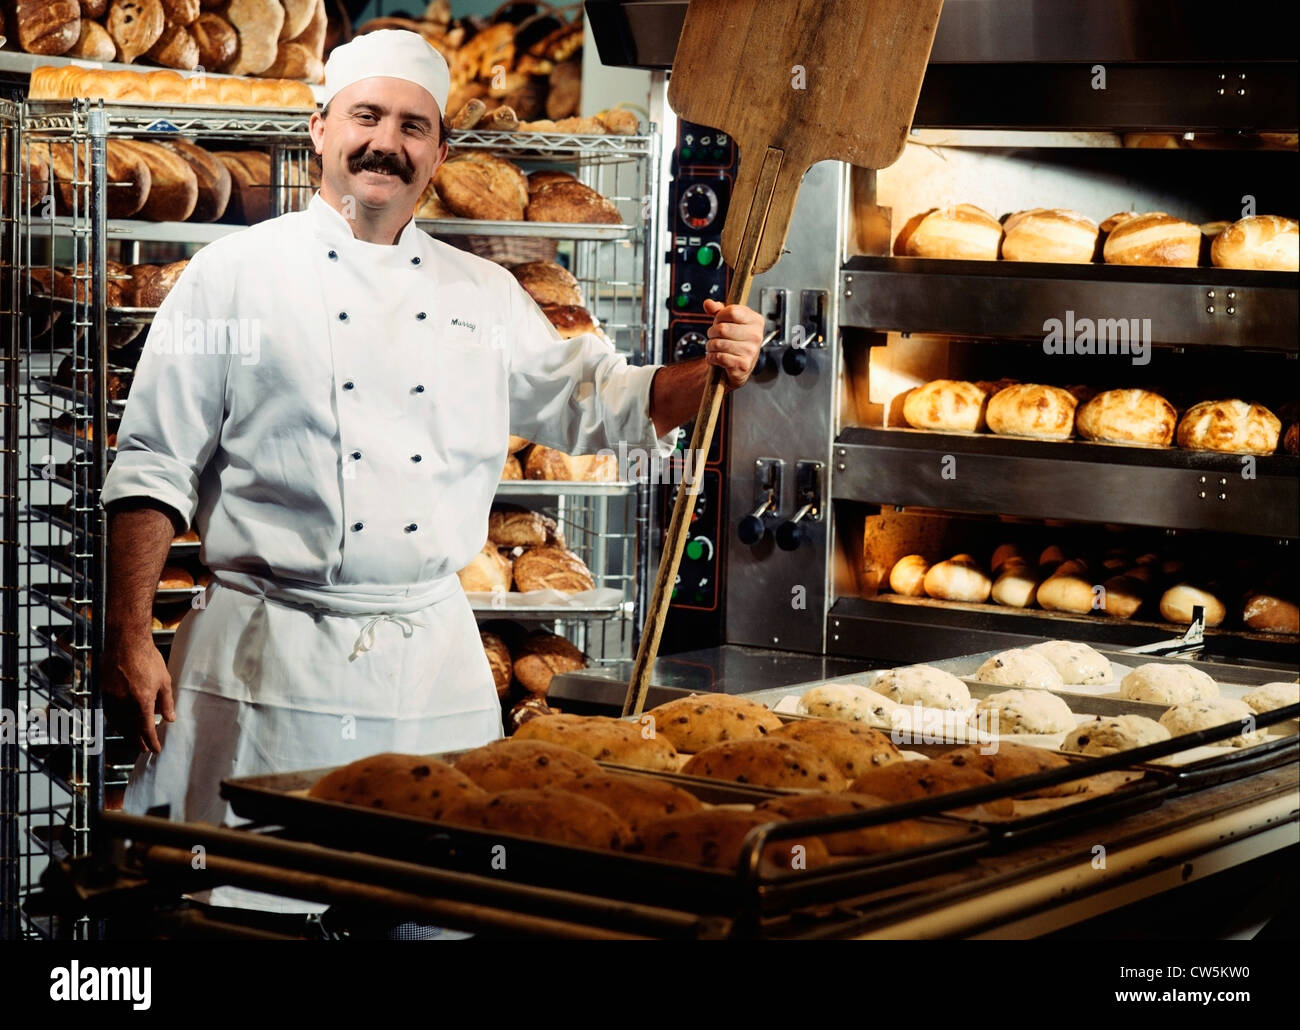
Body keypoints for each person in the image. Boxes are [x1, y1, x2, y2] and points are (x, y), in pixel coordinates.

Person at [100, 30, 763, 924]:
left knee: (431, 920)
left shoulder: (482, 294)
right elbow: (152, 466)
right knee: (250, 912)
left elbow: (601, 401)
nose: (387, 142)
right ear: (320, 130)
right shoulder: (231, 280)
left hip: (431, 678)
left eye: (413, 125)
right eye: (366, 116)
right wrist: (129, 634)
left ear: (439, 153)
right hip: (267, 663)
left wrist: (710, 366)